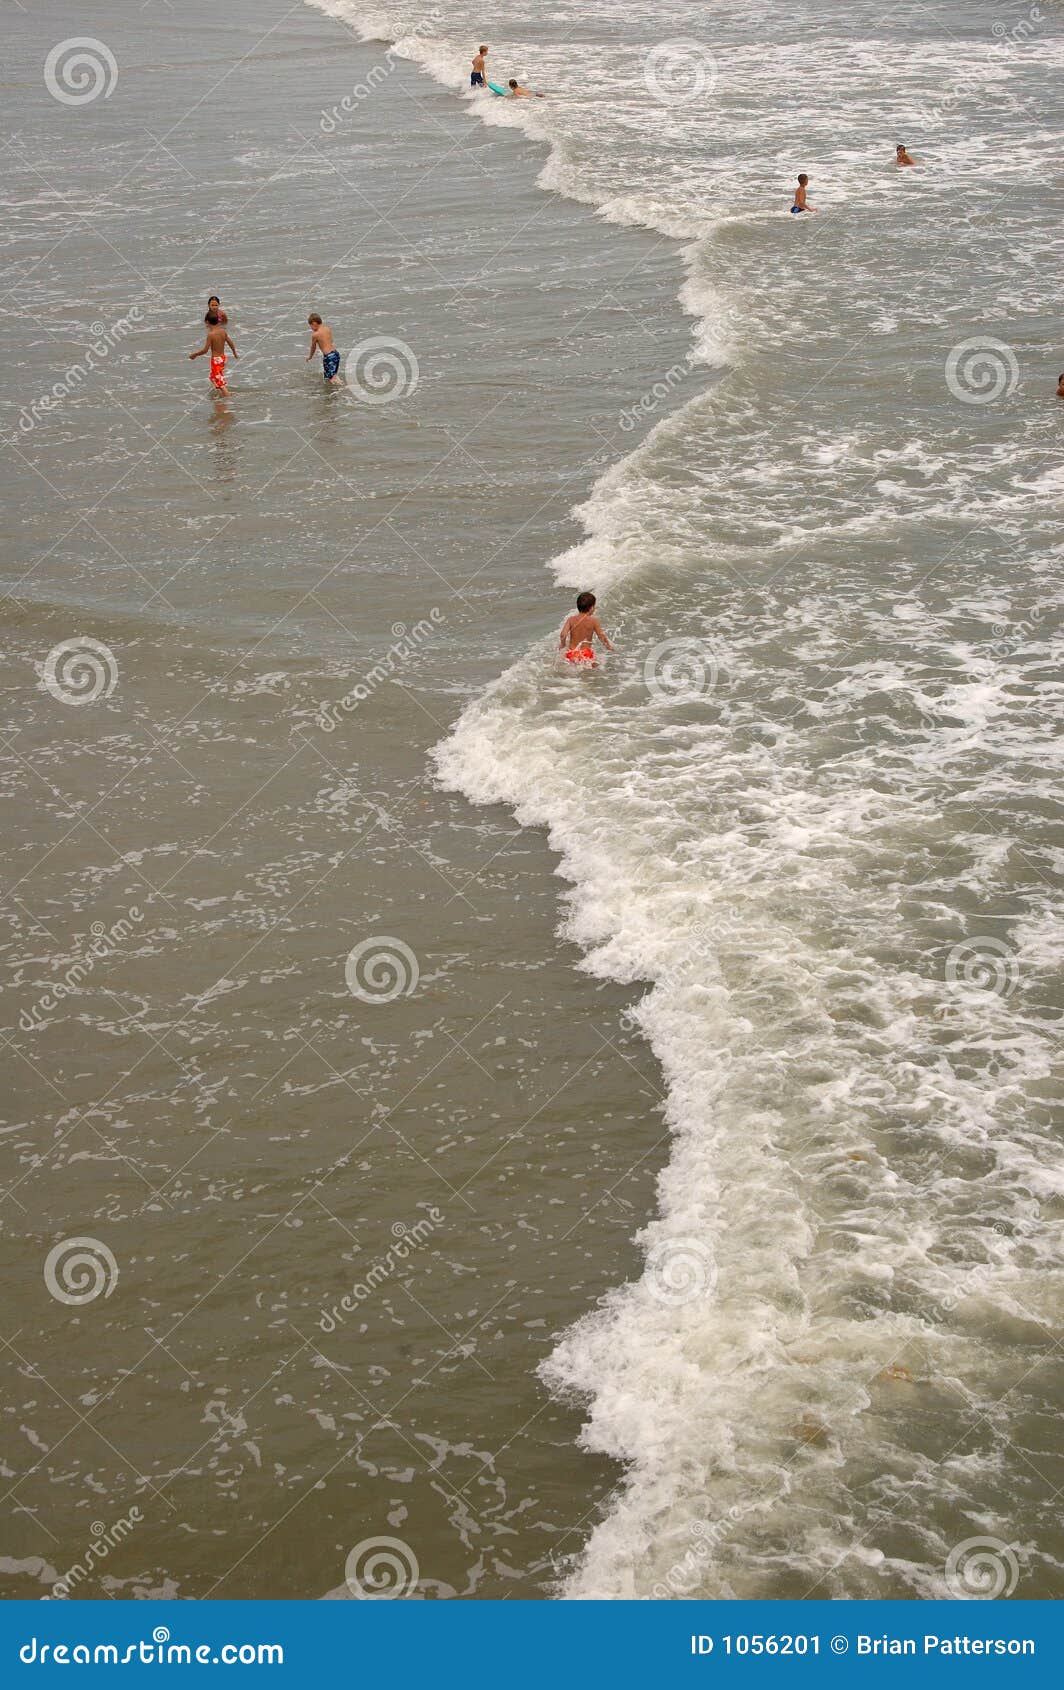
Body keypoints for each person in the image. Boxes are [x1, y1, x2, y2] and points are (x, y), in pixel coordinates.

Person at [559, 591, 614, 667]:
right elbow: (602, 636)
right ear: (591, 608)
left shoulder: (571, 619)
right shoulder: (594, 621)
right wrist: (608, 647)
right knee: (593, 670)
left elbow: (563, 635)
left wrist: (562, 645)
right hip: (586, 654)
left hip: (571, 653)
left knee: (573, 674)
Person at [189, 311, 237, 393]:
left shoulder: (211, 335)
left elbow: (205, 350)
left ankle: (228, 398)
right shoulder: (222, 331)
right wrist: (234, 352)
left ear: (207, 322)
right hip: (223, 359)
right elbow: (230, 342)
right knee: (212, 377)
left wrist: (195, 354)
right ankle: (219, 395)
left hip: (216, 361)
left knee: (220, 383)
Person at [306, 314, 341, 386]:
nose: (311, 328)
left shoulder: (315, 334)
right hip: (335, 354)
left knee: (332, 378)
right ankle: (331, 392)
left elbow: (313, 347)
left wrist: (310, 357)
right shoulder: (327, 329)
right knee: (328, 377)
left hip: (329, 357)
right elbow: (331, 341)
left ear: (314, 323)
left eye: (311, 326)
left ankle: (343, 389)